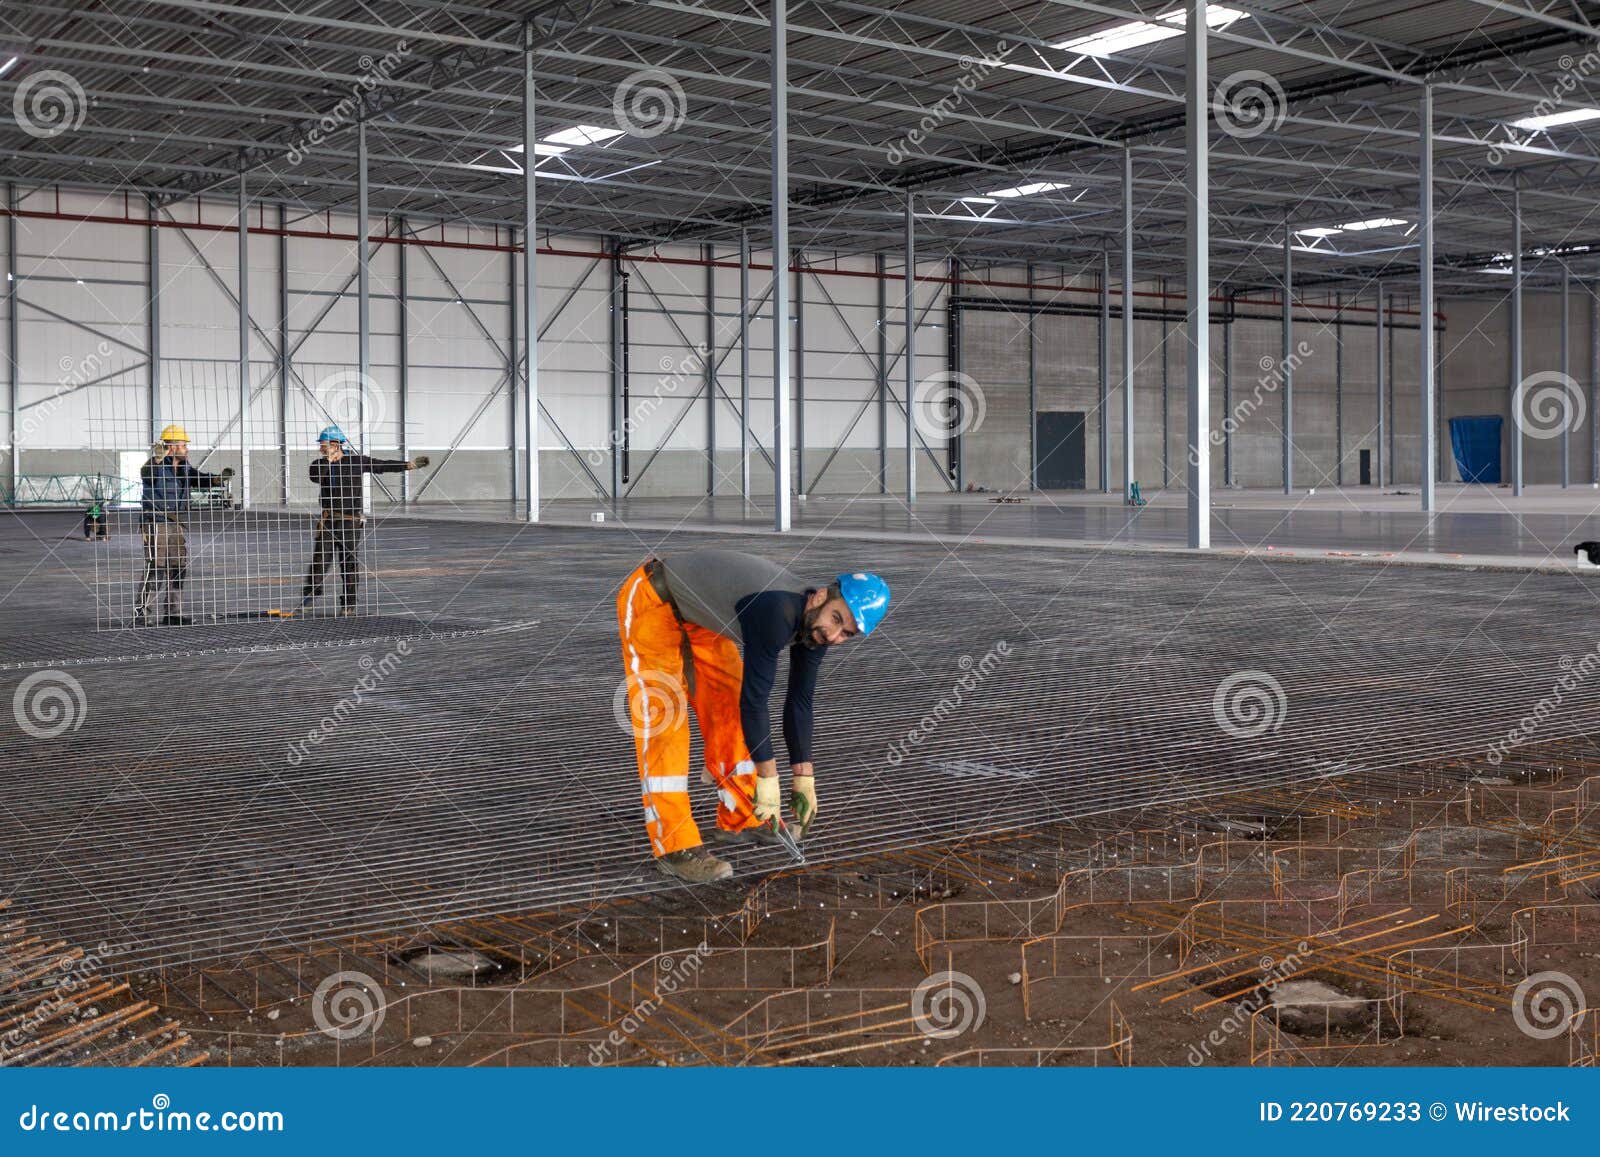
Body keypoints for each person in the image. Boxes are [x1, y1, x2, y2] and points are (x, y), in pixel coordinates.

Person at [615, 548, 890, 884]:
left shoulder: (815, 628)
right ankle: (674, 846)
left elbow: (799, 701)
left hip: (699, 617)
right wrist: (769, 780)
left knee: (727, 708)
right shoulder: (776, 612)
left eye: (847, 633)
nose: (834, 636)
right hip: (653, 601)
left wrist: (804, 778)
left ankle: (744, 815)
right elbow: (756, 702)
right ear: (821, 596)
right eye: (836, 619)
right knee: (666, 722)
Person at [297, 425, 427, 615]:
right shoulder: (318, 464)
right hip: (328, 520)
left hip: (350, 521)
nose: (320, 448)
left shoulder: (357, 461)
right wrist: (329, 461)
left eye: (323, 444)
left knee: (348, 562)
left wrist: (409, 465)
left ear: (335, 444)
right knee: (319, 560)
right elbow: (315, 478)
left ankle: (348, 604)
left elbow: (381, 465)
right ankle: (310, 596)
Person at [135, 424, 232, 626]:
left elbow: (198, 478)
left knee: (178, 567)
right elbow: (146, 475)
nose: (187, 448)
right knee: (156, 567)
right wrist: (157, 458)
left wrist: (217, 480)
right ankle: (142, 613)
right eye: (183, 444)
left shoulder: (184, 467)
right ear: (171, 447)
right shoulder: (155, 466)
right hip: (156, 522)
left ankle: (173, 613)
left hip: (175, 523)